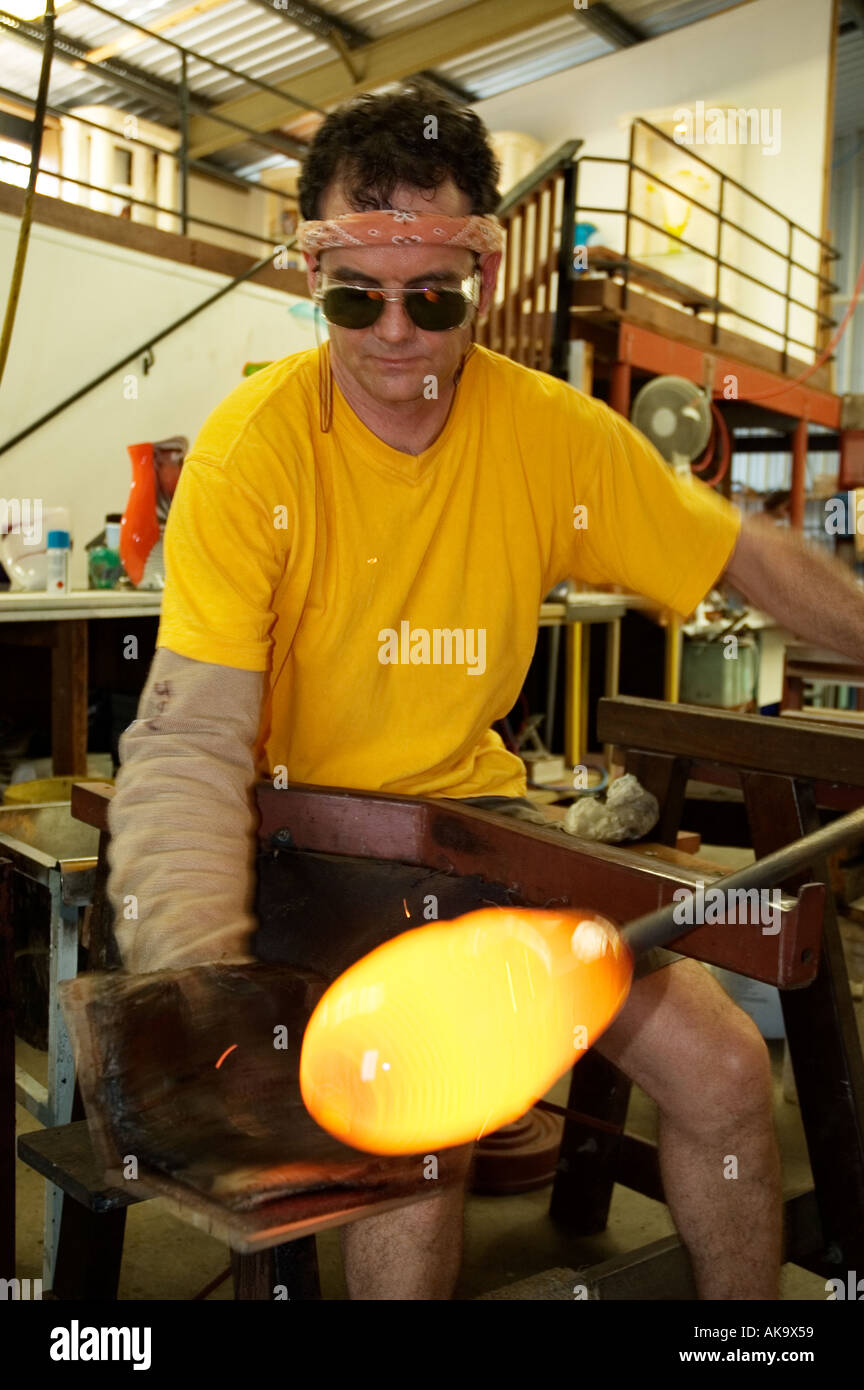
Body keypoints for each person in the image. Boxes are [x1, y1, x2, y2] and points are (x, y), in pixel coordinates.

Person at [107, 81, 864, 1301]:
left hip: (475, 830)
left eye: (434, 297)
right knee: (427, 1115)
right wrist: (200, 972)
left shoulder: (551, 434)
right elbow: (190, 736)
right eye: (358, 295)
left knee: (725, 1070)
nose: (396, 331)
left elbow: (742, 550)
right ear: (315, 282)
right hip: (312, 835)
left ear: (483, 275)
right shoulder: (255, 452)